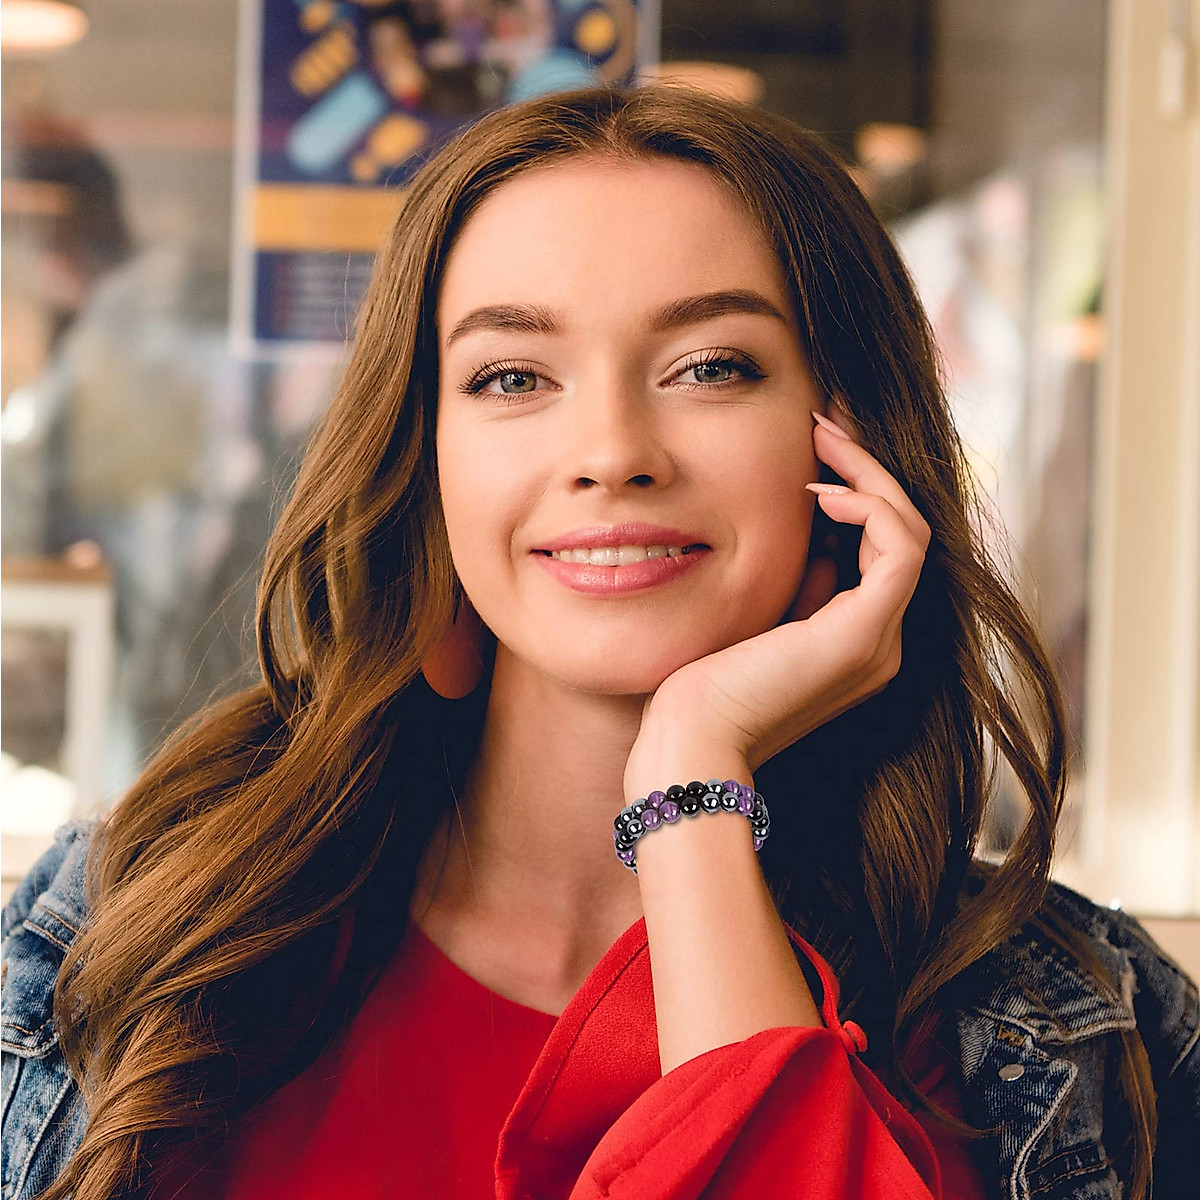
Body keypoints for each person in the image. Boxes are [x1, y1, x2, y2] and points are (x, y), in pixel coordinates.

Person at [2, 85, 1196, 1200]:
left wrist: (693, 779)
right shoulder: (125, 936)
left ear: (848, 442)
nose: (613, 446)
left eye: (712, 366)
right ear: (426, 462)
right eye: (514, 375)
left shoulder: (1076, 1019)